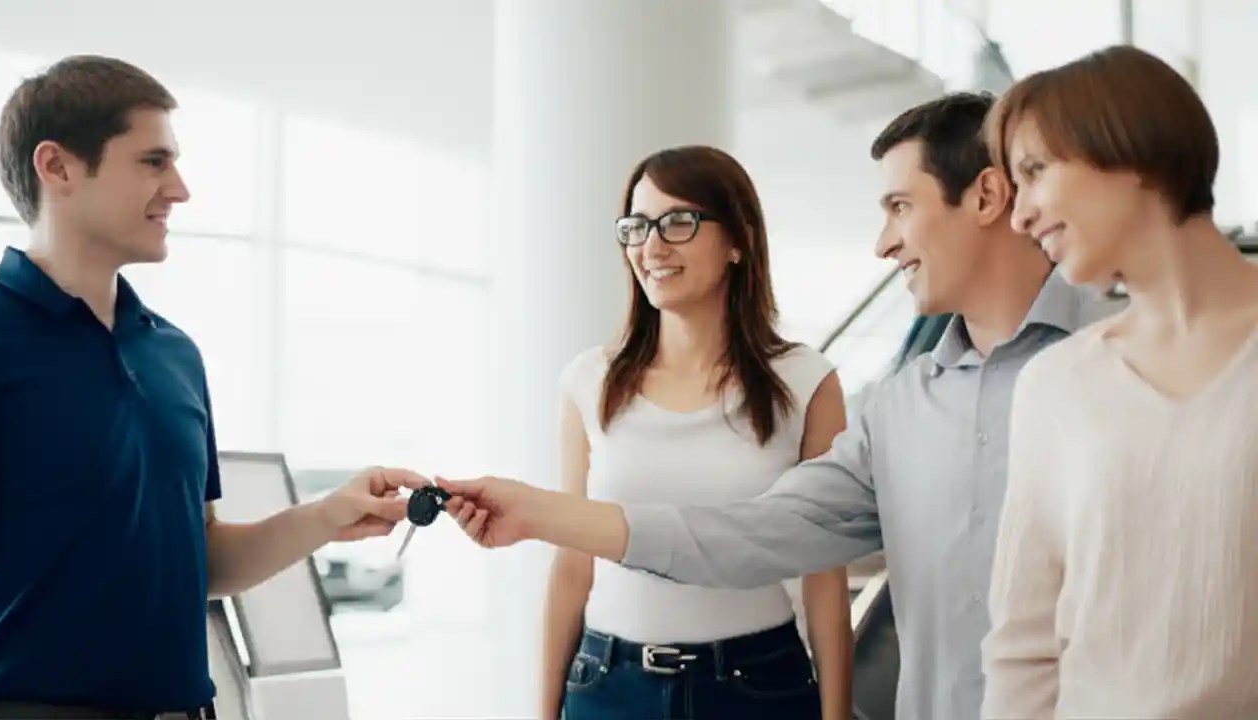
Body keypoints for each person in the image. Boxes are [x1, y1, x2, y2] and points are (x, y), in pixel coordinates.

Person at [434, 92, 1121, 720]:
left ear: (988, 196)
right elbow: (752, 536)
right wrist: (535, 513)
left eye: (899, 207)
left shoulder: (1128, 367)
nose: (882, 243)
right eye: (637, 227)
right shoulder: (897, 410)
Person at [0, 55, 423, 719]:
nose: (179, 189)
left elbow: (205, 562)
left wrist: (329, 515)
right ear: (58, 167)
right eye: (153, 162)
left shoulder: (173, 354)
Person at [524, 145, 853, 720]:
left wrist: (836, 713)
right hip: (608, 686)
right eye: (637, 226)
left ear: (738, 241)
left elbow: (824, 573)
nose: (652, 247)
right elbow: (573, 564)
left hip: (759, 687)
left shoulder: (805, 382)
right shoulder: (588, 381)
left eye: (679, 222)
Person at [979, 45, 1258, 718]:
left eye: (1036, 172)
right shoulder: (1055, 386)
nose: (1019, 217)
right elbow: (1024, 647)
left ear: (1129, 149)